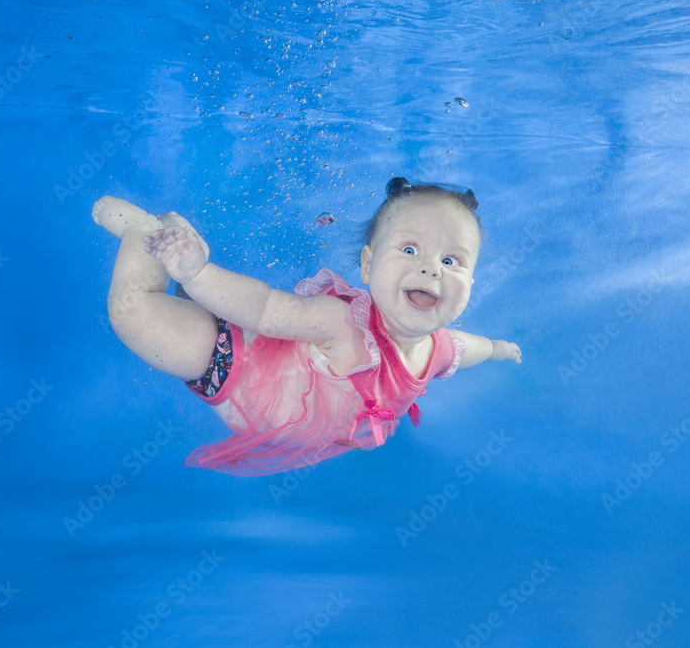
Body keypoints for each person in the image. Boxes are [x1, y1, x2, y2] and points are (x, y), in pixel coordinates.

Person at [92, 177, 522, 476]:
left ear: (470, 284)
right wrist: (197, 274)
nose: (431, 269)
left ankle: (182, 242)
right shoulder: (338, 323)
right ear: (368, 266)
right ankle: (145, 232)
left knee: (196, 305)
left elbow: (470, 348)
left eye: (451, 261)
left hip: (267, 409)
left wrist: (500, 348)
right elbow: (263, 309)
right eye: (410, 249)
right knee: (134, 314)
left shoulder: (438, 349)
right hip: (232, 364)